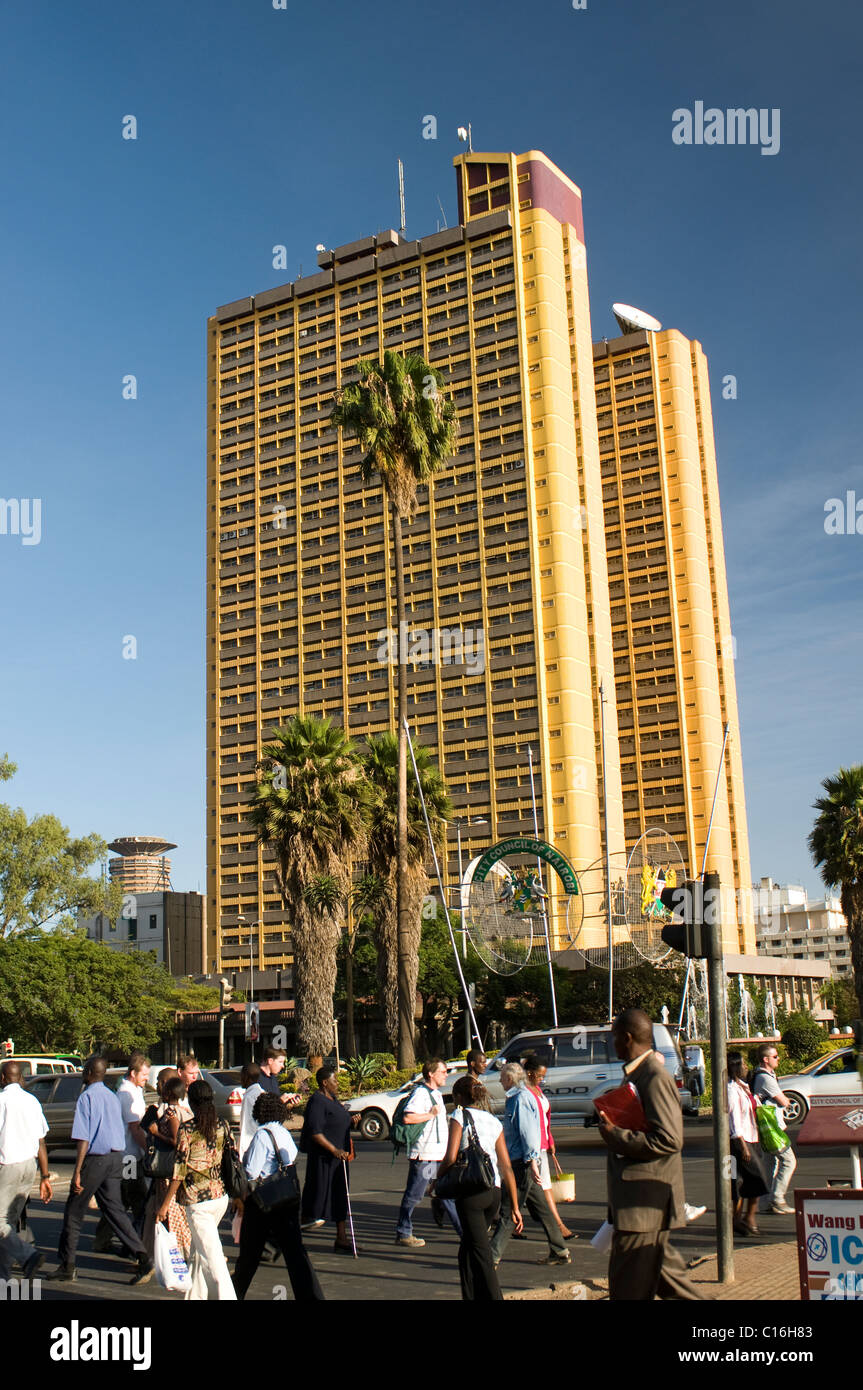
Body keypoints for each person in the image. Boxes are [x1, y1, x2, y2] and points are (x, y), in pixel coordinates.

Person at [597, 1008, 703, 1300]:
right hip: (639, 1204)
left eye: (614, 1037)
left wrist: (615, 1135)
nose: (611, 1043)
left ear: (627, 1038)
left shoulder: (653, 1076)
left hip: (643, 1204)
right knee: (672, 1285)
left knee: (627, 1289)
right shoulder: (638, 1073)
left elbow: (669, 1139)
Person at [48, 1056, 154, 1285]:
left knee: (74, 1211)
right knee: (115, 1210)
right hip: (116, 1157)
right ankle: (143, 1257)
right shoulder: (111, 1096)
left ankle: (67, 1265)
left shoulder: (87, 1097)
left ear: (87, 1072)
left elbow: (84, 1138)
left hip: (96, 1159)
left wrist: (77, 1171)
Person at [233, 1091, 324, 1300]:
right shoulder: (283, 1132)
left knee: (248, 1256)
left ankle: (234, 1294)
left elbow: (252, 1172)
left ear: (259, 1113)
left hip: (263, 1199)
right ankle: (311, 1295)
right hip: (287, 1195)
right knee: (296, 1253)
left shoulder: (262, 1135)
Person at [438, 1075, 522, 1301]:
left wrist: (437, 1180)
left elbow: (450, 1156)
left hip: (471, 1192)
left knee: (481, 1253)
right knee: (467, 1250)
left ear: (458, 1097)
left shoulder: (458, 1115)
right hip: (492, 1191)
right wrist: (514, 1205)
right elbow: (506, 1166)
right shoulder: (493, 1121)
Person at [156, 1078, 237, 1299]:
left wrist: (164, 1205)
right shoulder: (223, 1125)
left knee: (213, 1259)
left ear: (191, 1103)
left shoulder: (188, 1130)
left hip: (196, 1202)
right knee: (199, 1254)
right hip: (219, 1197)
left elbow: (178, 1171)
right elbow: (232, 1156)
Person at [489, 1062, 570, 1269]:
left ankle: (491, 1257)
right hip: (523, 1160)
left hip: (520, 1162)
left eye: (502, 1077)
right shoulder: (519, 1097)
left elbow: (528, 1133)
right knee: (541, 1208)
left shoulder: (520, 1099)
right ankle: (560, 1250)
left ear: (510, 1079)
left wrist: (532, 1161)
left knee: (508, 1210)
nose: (499, 1080)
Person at [395, 1058, 461, 1249]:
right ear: (431, 1074)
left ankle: (465, 1233)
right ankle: (403, 1232)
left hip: (438, 1155)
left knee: (448, 1194)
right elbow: (408, 1117)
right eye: (443, 1071)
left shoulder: (436, 1094)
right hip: (425, 1155)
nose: (446, 1075)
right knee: (415, 1194)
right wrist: (430, 1115)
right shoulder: (421, 1094)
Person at [0, 1060, 53, 1282]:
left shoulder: (1, 1100)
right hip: (29, 1166)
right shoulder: (32, 1101)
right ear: (19, 1077)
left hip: (8, 1165)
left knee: (1, 1223)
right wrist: (45, 1176)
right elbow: (41, 1140)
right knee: (7, 1224)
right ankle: (3, 1277)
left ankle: (28, 1255)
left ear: (3, 1078)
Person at [300, 1065, 357, 1253]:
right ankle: (298, 1229)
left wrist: (351, 1119)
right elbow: (315, 1132)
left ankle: (342, 1238)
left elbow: (337, 1118)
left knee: (341, 1196)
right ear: (325, 1083)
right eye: (335, 1080)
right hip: (324, 1158)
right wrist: (334, 1150)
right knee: (318, 1195)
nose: (338, 1084)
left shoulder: (332, 1098)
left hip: (340, 1159)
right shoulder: (316, 1102)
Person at [523, 1054, 575, 1241]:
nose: (542, 1079)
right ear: (529, 1073)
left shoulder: (537, 1090)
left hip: (543, 1144)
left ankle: (512, 1222)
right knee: (543, 1187)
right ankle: (558, 1225)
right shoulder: (523, 1093)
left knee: (527, 1190)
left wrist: (550, 1139)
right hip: (533, 1147)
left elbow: (545, 1119)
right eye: (539, 1076)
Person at [142, 1075, 191, 1262]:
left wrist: (155, 1133)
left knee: (171, 1213)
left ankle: (180, 1253)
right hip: (171, 1173)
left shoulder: (172, 1114)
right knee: (156, 1212)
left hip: (168, 1173)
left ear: (169, 1093)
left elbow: (175, 1141)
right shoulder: (182, 1111)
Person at [750, 1042, 796, 1215]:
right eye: (775, 1056)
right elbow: (783, 1101)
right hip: (772, 1129)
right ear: (766, 1059)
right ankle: (777, 1198)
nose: (778, 1059)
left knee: (770, 1163)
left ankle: (764, 1202)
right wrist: (787, 1102)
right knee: (789, 1161)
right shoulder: (765, 1078)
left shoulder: (762, 1075)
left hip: (766, 1127)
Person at [727, 1051, 769, 1237]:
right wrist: (742, 1145)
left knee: (746, 1181)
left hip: (753, 1138)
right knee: (747, 1179)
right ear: (735, 1067)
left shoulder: (742, 1086)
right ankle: (744, 1219)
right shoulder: (730, 1089)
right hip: (740, 1141)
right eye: (742, 1064)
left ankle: (743, 1219)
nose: (746, 1067)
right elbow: (734, 1118)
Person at [238, 1062, 264, 1160]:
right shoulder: (261, 1092)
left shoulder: (249, 1097)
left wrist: (241, 1153)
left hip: (251, 1149)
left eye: (241, 1076)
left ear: (246, 1077)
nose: (240, 1080)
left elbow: (247, 1128)